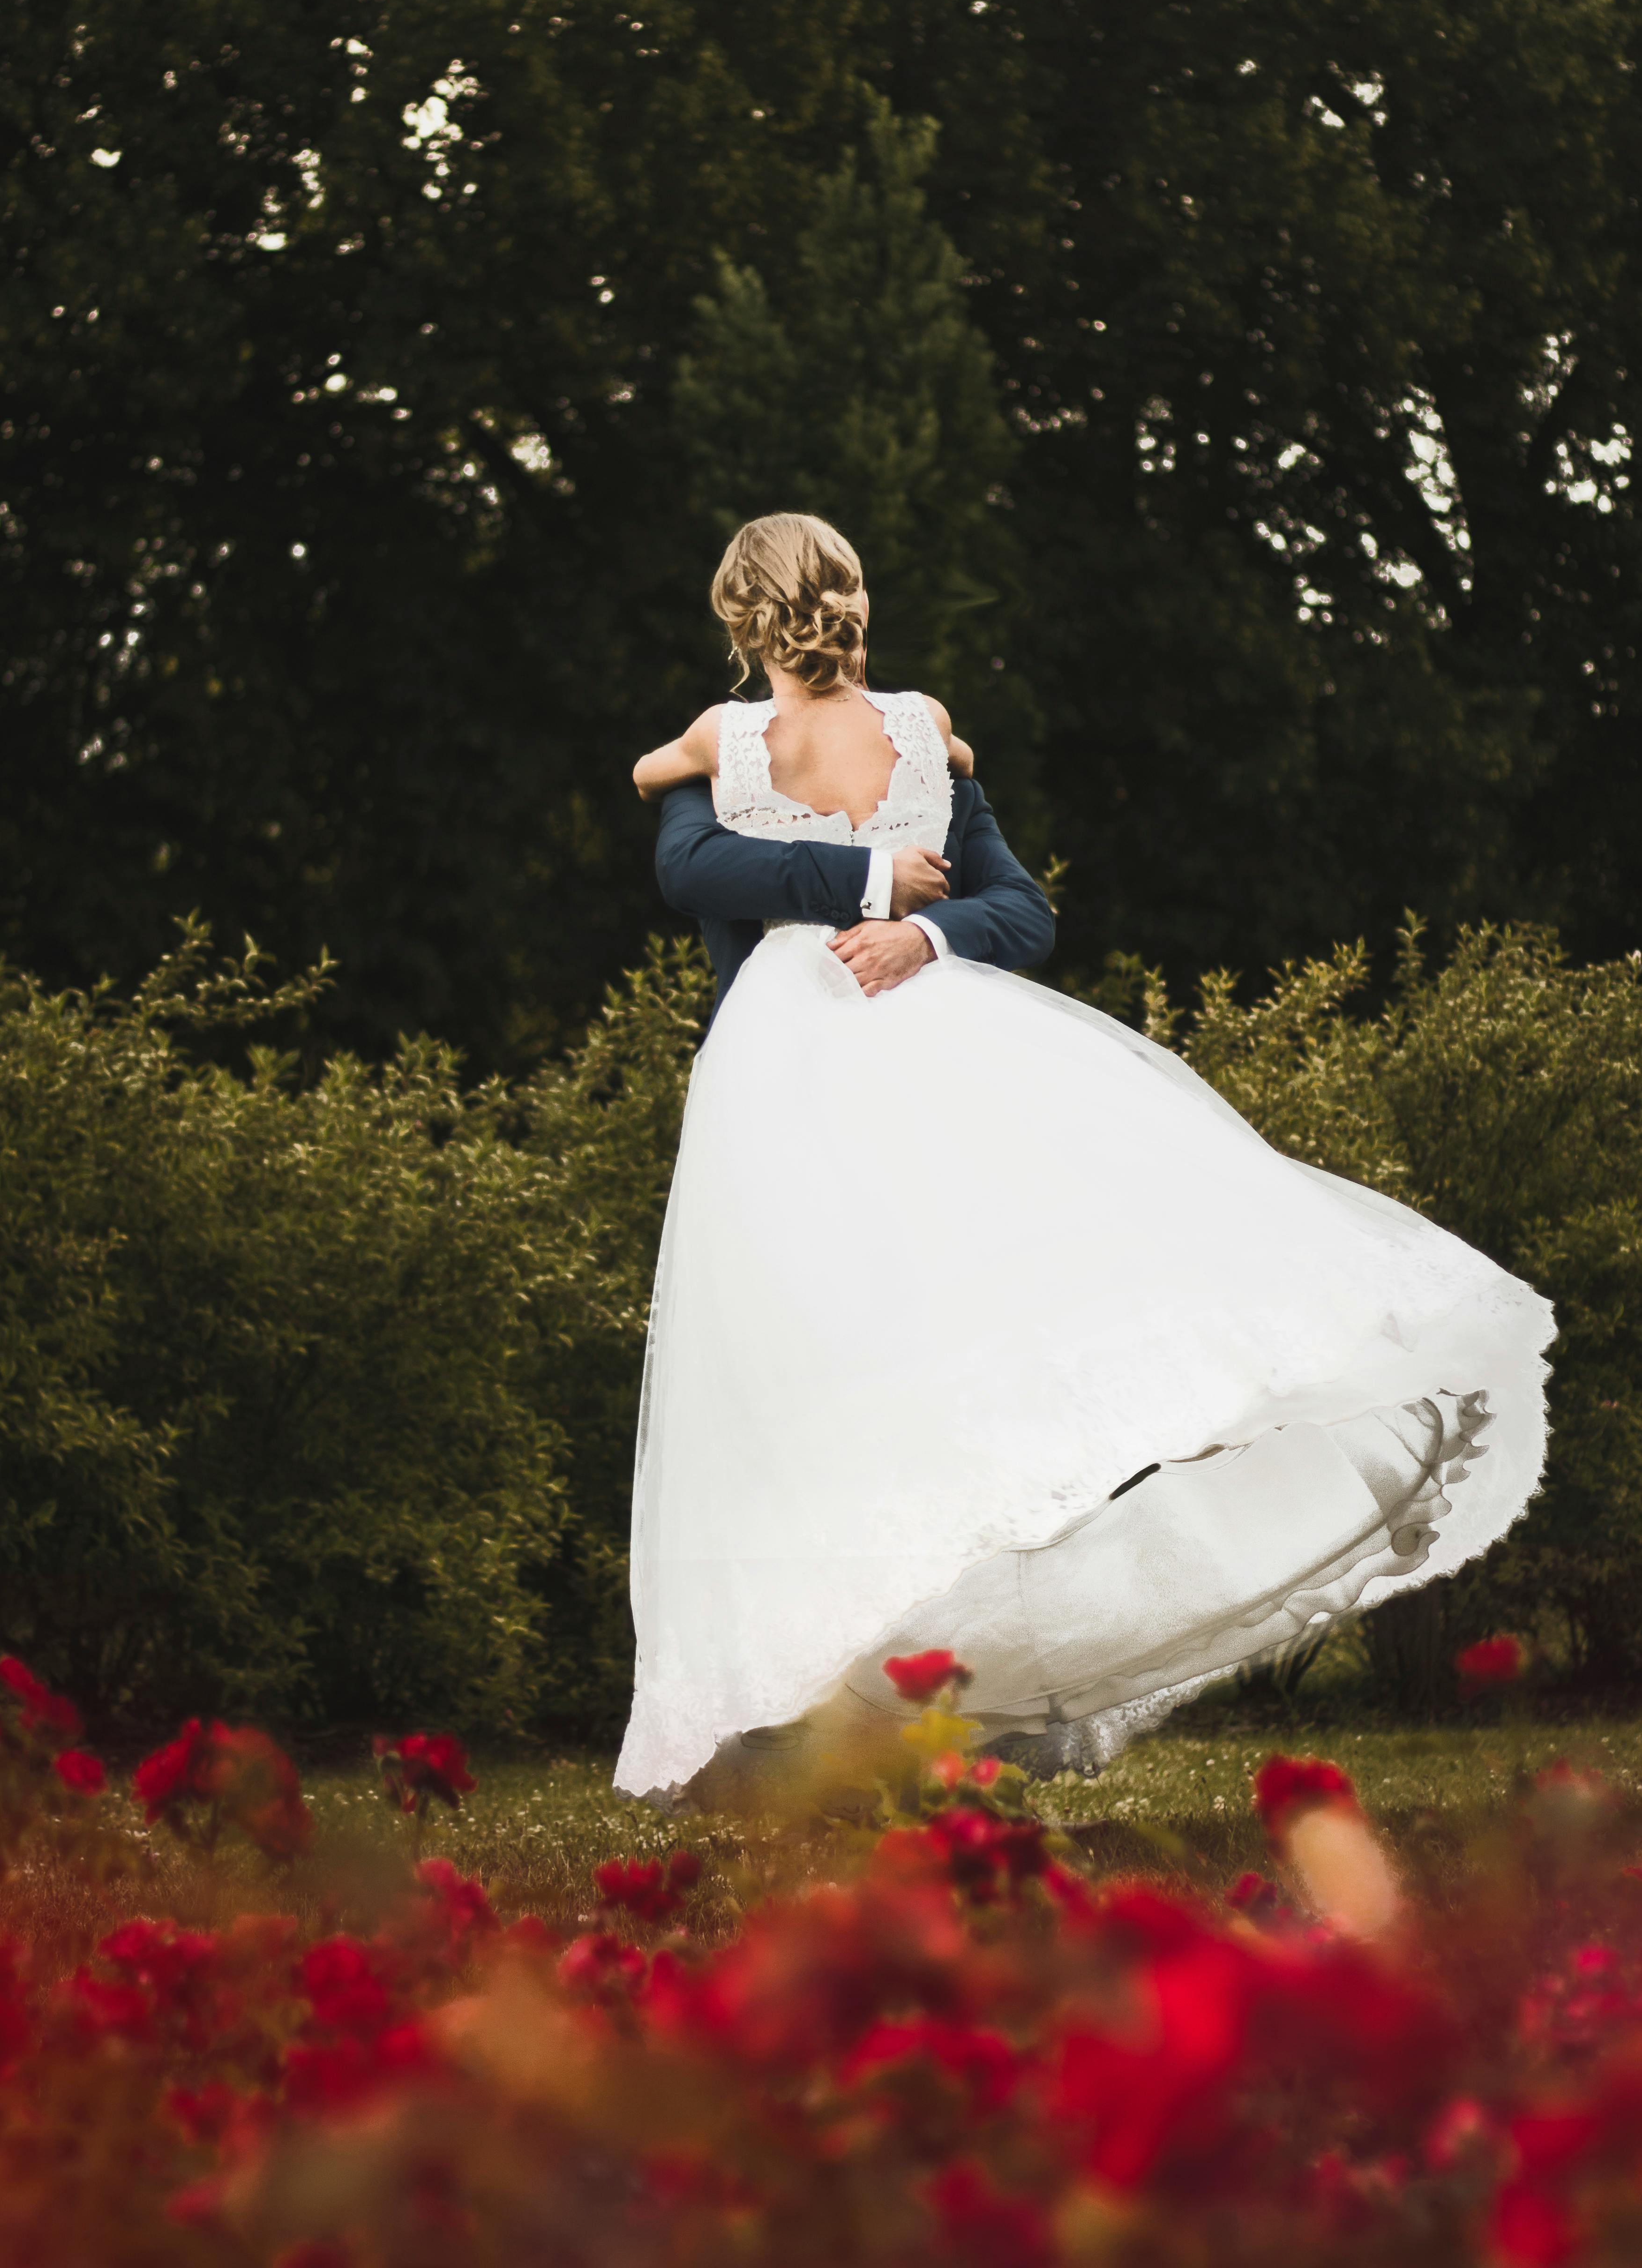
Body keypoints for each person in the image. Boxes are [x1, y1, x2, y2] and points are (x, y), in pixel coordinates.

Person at [615, 511, 1553, 1803]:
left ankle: (968, 1678)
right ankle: (812, 1701)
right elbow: (695, 876)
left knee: (959, 1359)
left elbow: (1019, 907)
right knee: (813, 1378)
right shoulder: (724, 751)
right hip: (787, 1098)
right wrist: (882, 882)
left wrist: (927, 942)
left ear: (738, 618)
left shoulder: (903, 734)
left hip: (931, 1067)